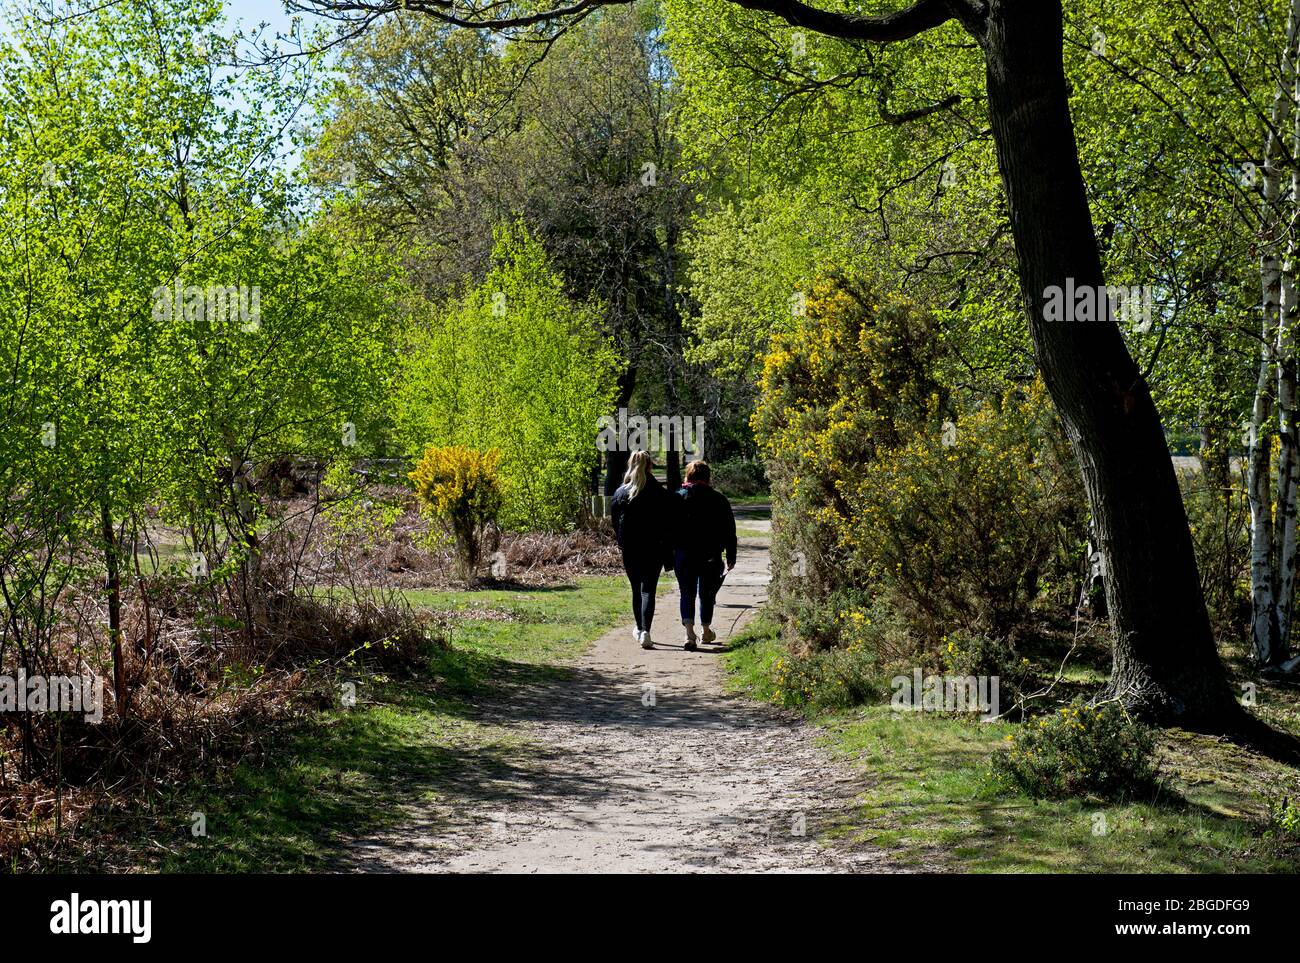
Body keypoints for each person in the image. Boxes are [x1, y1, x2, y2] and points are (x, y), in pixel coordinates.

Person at [672, 460, 737, 651]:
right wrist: (731, 555)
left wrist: (669, 554)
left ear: (688, 476)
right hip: (710, 555)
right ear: (708, 477)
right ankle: (706, 630)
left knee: (687, 592)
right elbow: (729, 530)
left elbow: (669, 528)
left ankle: (689, 634)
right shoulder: (719, 499)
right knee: (706, 593)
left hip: (684, 554)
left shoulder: (677, 497)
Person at [610, 450, 673, 650]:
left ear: (630, 465)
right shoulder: (659, 492)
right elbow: (668, 522)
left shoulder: (621, 493)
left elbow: (614, 522)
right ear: (650, 466)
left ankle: (639, 627)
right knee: (648, 590)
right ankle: (646, 630)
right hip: (654, 548)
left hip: (630, 548)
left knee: (636, 589)